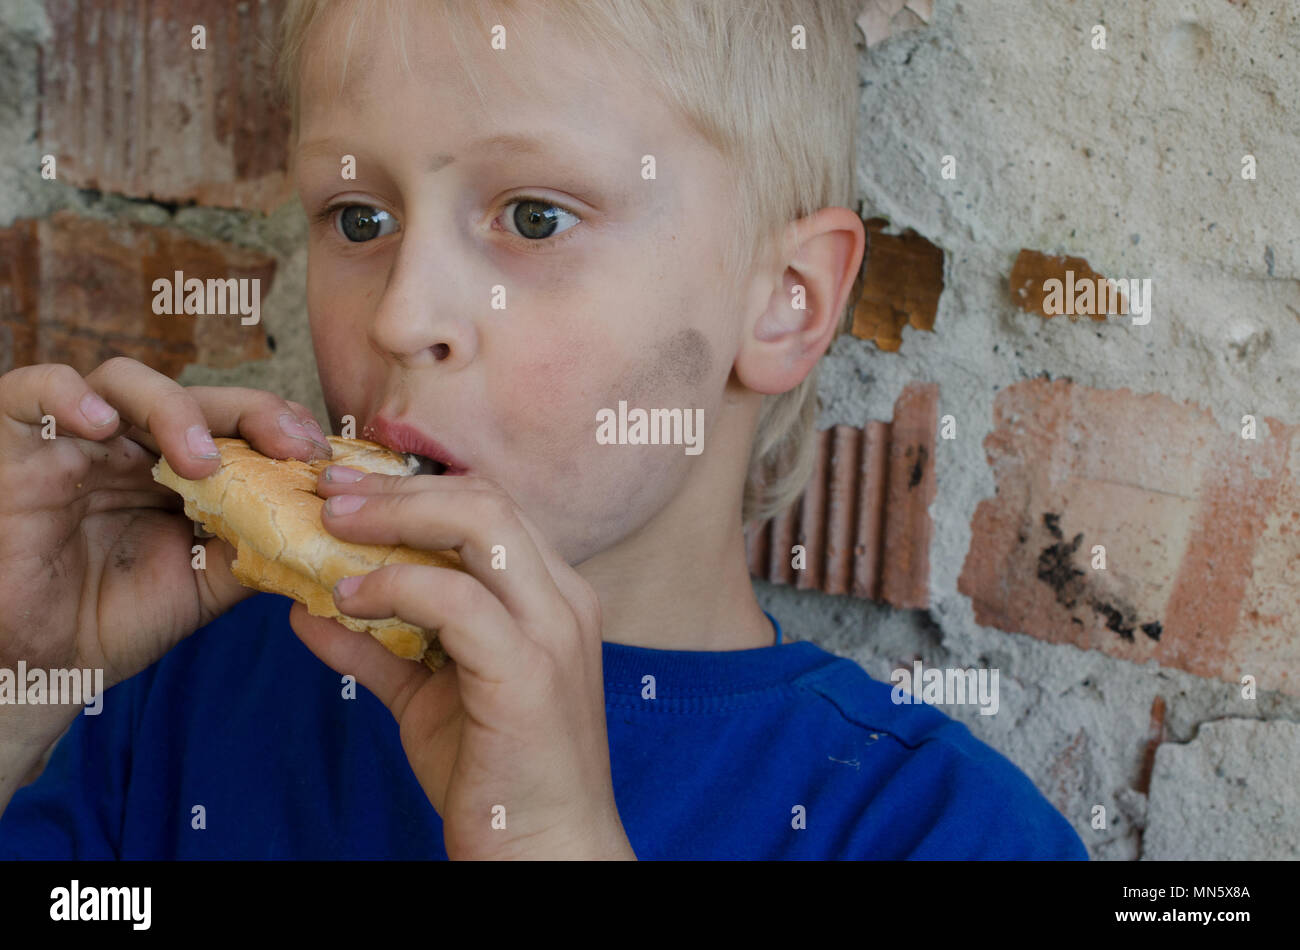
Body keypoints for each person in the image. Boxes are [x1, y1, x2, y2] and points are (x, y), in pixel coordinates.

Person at [0, 0, 1086, 859]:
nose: (401, 314)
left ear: (784, 299)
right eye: (359, 219)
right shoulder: (180, 703)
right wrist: (19, 691)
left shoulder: (938, 831)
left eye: (533, 217)